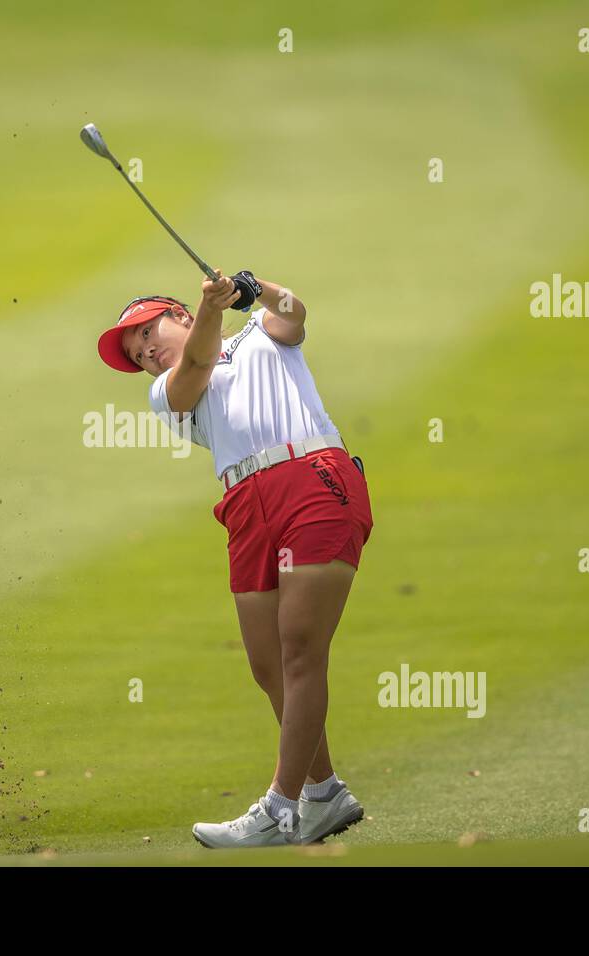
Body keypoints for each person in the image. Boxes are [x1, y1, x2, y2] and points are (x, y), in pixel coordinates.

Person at [96, 269, 374, 847]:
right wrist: (213, 308)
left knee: (299, 647)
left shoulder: (259, 333)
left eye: (146, 333)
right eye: (136, 353)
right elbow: (194, 367)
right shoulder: (168, 391)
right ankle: (325, 794)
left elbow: (296, 312)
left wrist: (258, 289)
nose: (146, 352)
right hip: (245, 503)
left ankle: (280, 808)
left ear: (175, 315)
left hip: (313, 478)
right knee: (267, 663)